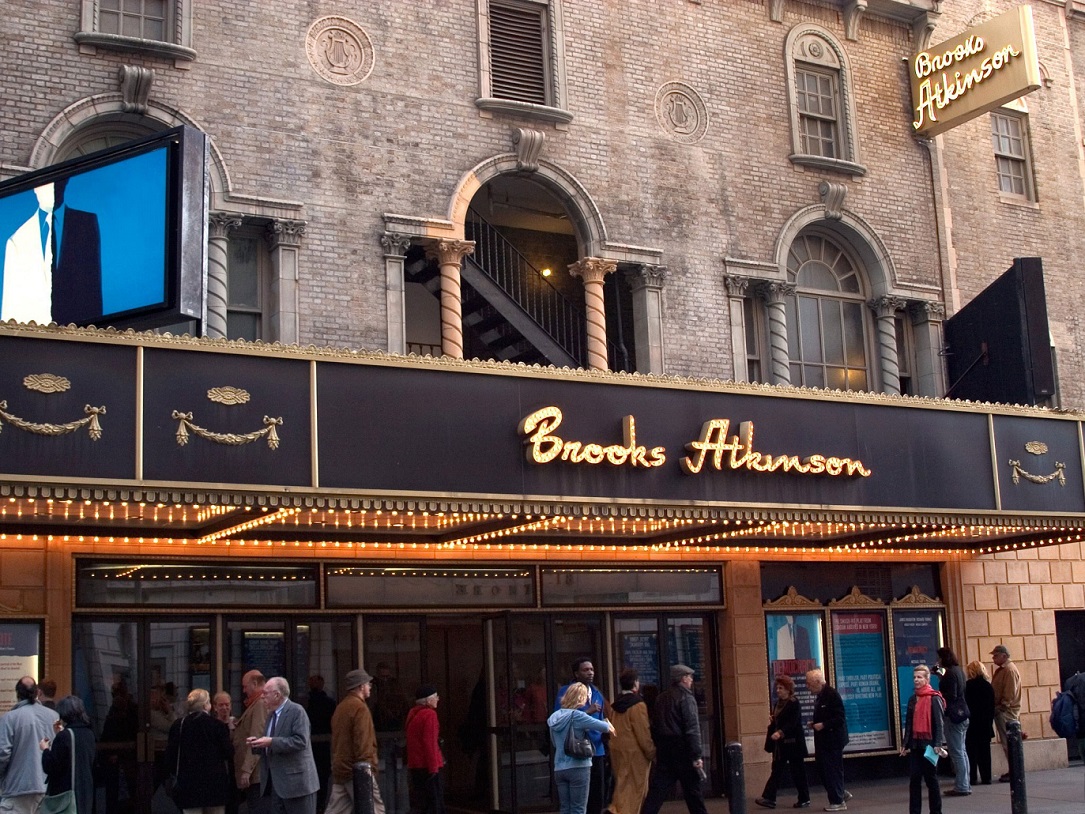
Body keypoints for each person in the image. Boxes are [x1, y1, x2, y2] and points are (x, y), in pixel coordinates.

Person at [1, 179, 102, 325]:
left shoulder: (86, 223)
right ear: (35, 188)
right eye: (44, 184)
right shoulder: (17, 239)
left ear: (65, 182)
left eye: (57, 182)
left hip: (80, 334)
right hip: (33, 338)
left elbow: (94, 288)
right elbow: (10, 307)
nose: (51, 189)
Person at [640, 664, 707, 814]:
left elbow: (655, 725)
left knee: (657, 790)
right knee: (693, 792)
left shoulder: (662, 697)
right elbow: (692, 729)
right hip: (683, 749)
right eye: (689, 677)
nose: (691, 680)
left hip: (665, 748)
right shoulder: (686, 698)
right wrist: (696, 755)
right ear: (683, 679)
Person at [247, 677, 320, 814]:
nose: (262, 696)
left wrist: (271, 742)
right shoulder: (270, 716)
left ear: (277, 695)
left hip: (297, 786)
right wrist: (257, 744)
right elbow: (271, 745)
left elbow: (300, 741)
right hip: (276, 785)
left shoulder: (297, 711)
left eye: (265, 693)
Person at [547, 683, 615, 814]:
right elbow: (604, 727)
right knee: (578, 808)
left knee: (565, 808)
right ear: (580, 698)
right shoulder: (578, 716)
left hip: (559, 767)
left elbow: (555, 743)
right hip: (578, 766)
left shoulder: (554, 718)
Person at [166, 688, 235, 814]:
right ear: (206, 705)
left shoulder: (179, 725)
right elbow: (228, 753)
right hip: (215, 785)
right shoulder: (217, 726)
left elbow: (171, 756)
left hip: (188, 785)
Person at [554, 658, 608, 814]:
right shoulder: (566, 692)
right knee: (575, 801)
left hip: (596, 749)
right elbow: (560, 719)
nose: (590, 672)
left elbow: (600, 719)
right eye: (586, 670)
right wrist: (587, 712)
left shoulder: (596, 692)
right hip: (575, 750)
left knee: (596, 794)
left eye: (592, 669)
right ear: (576, 673)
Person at [0, 676, 60, 814]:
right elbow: (61, 743)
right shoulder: (55, 717)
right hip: (46, 788)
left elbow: (3, 753)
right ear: (36, 692)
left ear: (18, 694)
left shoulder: (9, 718)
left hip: (18, 789)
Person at [327, 669, 383, 814]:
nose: (370, 687)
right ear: (361, 686)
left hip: (341, 769)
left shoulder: (341, 707)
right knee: (375, 810)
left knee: (336, 810)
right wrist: (367, 769)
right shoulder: (360, 708)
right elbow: (363, 743)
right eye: (368, 684)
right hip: (357, 771)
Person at [755, 674, 810, 810]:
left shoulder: (793, 703)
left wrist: (780, 732)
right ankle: (769, 797)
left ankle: (804, 798)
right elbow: (780, 720)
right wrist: (774, 721)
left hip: (794, 744)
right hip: (782, 746)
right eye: (777, 688)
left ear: (788, 689)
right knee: (777, 771)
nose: (778, 690)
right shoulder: (778, 703)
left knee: (798, 772)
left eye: (781, 688)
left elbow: (793, 723)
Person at [606, 668, 654, 814]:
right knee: (635, 790)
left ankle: (615, 809)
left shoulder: (615, 705)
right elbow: (642, 732)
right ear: (635, 684)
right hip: (635, 754)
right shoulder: (638, 705)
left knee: (621, 786)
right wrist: (651, 752)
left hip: (617, 750)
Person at [901, 665, 947, 814]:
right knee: (914, 779)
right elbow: (909, 723)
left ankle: (936, 811)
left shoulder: (934, 698)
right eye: (914, 677)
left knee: (931, 779)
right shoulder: (912, 699)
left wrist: (938, 744)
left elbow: (939, 724)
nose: (916, 680)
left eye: (919, 677)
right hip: (915, 744)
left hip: (930, 744)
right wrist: (904, 744)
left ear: (927, 679)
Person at [39, 695, 95, 814]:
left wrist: (45, 749)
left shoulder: (64, 736)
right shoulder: (89, 734)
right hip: (85, 790)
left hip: (67, 791)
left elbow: (51, 766)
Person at [805, 668, 850, 812]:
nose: (807, 687)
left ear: (818, 682)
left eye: (809, 684)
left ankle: (837, 800)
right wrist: (815, 723)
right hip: (824, 740)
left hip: (833, 740)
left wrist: (823, 725)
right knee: (824, 769)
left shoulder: (831, 695)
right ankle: (840, 793)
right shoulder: (821, 696)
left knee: (832, 770)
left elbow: (840, 718)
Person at [935, 647, 970, 797]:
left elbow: (951, 694)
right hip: (962, 714)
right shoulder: (958, 671)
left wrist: (940, 697)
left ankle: (962, 786)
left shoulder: (950, 674)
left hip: (953, 716)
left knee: (956, 752)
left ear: (944, 658)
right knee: (961, 751)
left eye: (939, 658)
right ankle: (964, 783)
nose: (938, 660)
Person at [232, 670, 269, 813]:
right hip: (254, 773)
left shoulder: (259, 704)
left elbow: (256, 737)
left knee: (256, 808)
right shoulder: (255, 704)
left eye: (245, 686)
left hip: (256, 774)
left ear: (254, 684)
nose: (243, 690)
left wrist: (246, 771)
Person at [405, 685, 444, 814]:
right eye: (435, 697)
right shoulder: (429, 715)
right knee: (434, 804)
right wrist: (434, 769)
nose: (438, 699)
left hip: (415, 765)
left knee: (421, 803)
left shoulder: (413, 714)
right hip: (428, 766)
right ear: (428, 700)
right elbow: (430, 743)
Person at [989, 644, 1021, 782]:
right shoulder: (1003, 670)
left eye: (995, 655)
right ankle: (1013, 770)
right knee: (1007, 742)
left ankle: (1015, 770)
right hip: (1002, 710)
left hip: (1006, 712)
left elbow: (1010, 692)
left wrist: (1003, 706)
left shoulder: (1009, 670)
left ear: (1004, 655)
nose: (993, 658)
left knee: (1008, 743)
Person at [305, 676, 335, 813]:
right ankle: (321, 805)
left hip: (309, 747)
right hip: (324, 746)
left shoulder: (305, 703)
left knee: (311, 777)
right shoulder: (329, 703)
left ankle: (313, 805)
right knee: (323, 777)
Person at [963, 660, 995, 787]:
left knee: (971, 752)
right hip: (985, 724)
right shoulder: (988, 686)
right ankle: (986, 777)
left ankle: (972, 778)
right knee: (985, 752)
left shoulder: (967, 686)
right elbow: (992, 707)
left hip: (972, 724)